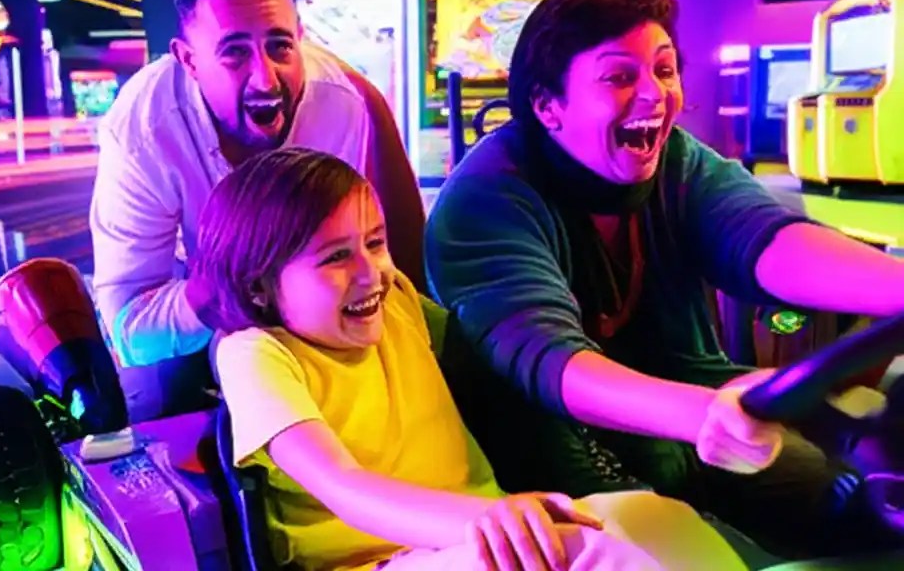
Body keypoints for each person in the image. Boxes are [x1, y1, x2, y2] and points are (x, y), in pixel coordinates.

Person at [424, 0, 904, 560]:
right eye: (620, 77)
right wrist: (708, 415)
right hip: (550, 446)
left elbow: (764, 242)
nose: (656, 95)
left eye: (664, 69)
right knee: (702, 555)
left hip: (693, 423)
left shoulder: (676, 160)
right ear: (548, 107)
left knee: (851, 510)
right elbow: (550, 362)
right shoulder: (486, 200)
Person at [198, 147, 747, 571]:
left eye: (375, 242)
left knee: (664, 520)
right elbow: (342, 485)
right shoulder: (255, 354)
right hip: (377, 559)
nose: (371, 273)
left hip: (475, 527)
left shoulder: (395, 306)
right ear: (261, 285)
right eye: (335, 257)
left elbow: (493, 347)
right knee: (582, 555)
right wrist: (485, 518)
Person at [89, 0, 422, 421]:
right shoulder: (143, 131)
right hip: (196, 299)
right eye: (235, 53)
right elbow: (129, 333)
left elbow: (340, 265)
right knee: (164, 399)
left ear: (301, 40)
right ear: (188, 60)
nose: (265, 79)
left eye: (280, 46)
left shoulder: (341, 104)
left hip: (307, 319)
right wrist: (220, 296)